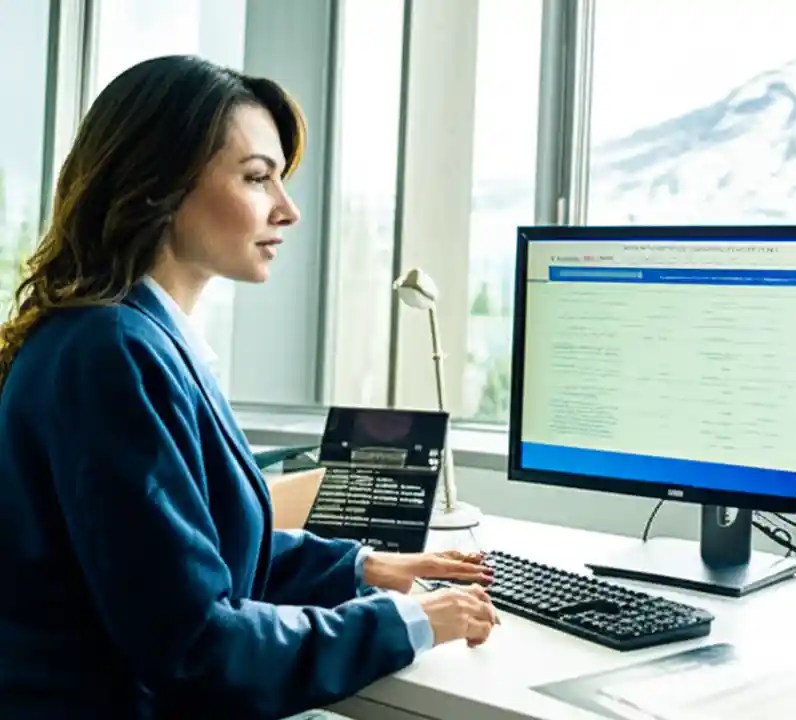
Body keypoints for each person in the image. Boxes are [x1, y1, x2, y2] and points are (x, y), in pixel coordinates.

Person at [0, 55, 499, 719]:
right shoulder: (112, 352)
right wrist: (410, 624)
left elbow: (186, 551)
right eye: (258, 178)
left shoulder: (127, 335)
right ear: (161, 185)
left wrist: (361, 568)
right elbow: (194, 641)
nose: (287, 210)